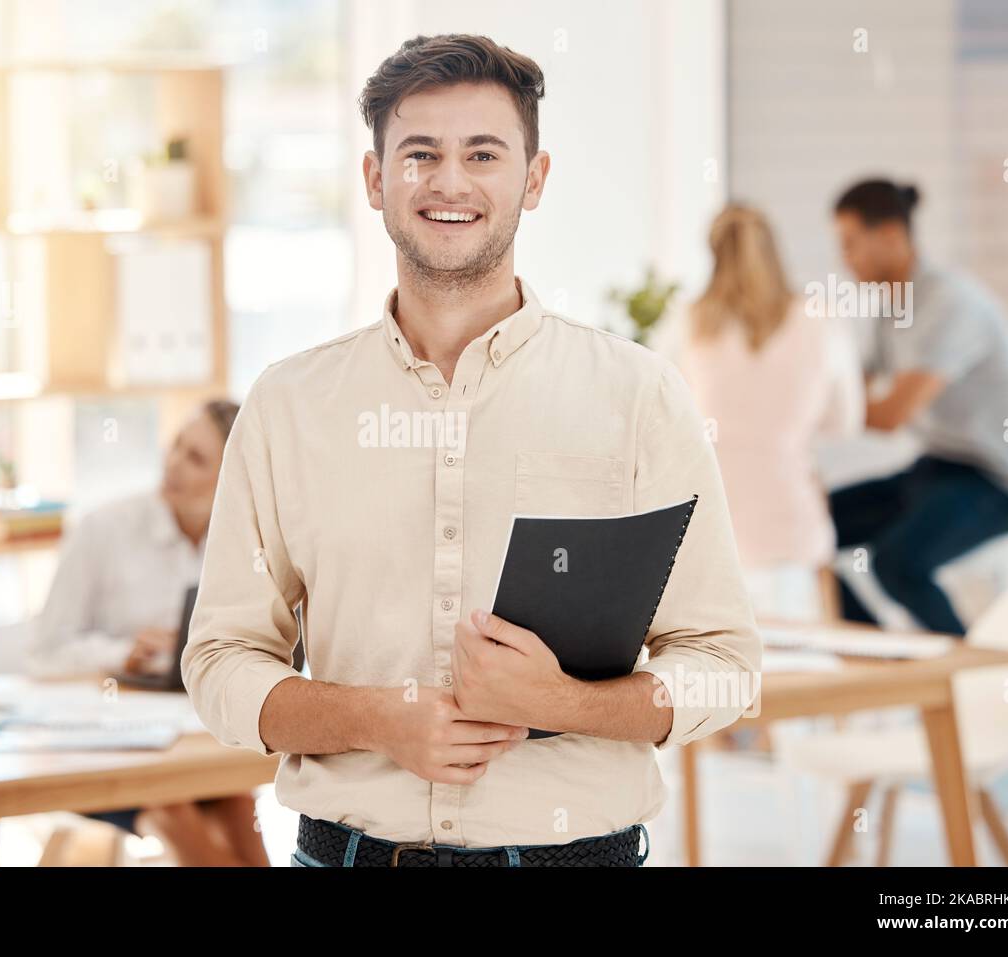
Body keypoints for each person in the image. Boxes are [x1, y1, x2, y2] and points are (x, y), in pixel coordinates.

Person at [183, 34, 760, 868]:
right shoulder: (288, 404)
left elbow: (724, 667)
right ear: (376, 179)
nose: (449, 181)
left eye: (482, 153)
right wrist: (378, 718)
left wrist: (563, 701)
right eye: (420, 154)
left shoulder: (640, 396)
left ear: (534, 179)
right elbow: (221, 663)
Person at [31, 399, 269, 867]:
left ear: (231, 479)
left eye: (196, 458)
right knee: (174, 809)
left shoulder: (243, 543)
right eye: (177, 447)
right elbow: (45, 653)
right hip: (100, 747)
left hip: (185, 740)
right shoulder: (102, 530)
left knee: (240, 803)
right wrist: (123, 654)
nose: (174, 464)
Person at [829, 179, 1008, 636]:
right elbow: (853, 389)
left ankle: (963, 683)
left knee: (897, 562)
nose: (844, 258)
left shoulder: (948, 303)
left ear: (889, 235)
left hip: (999, 483)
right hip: (937, 468)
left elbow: (887, 416)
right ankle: (875, 661)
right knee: (814, 528)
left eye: (850, 244)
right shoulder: (893, 305)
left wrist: (812, 406)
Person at [678, 205, 863, 621]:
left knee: (718, 679)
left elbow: (663, 425)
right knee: (801, 671)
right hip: (792, 532)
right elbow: (844, 422)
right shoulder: (820, 320)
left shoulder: (687, 324)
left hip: (709, 536)